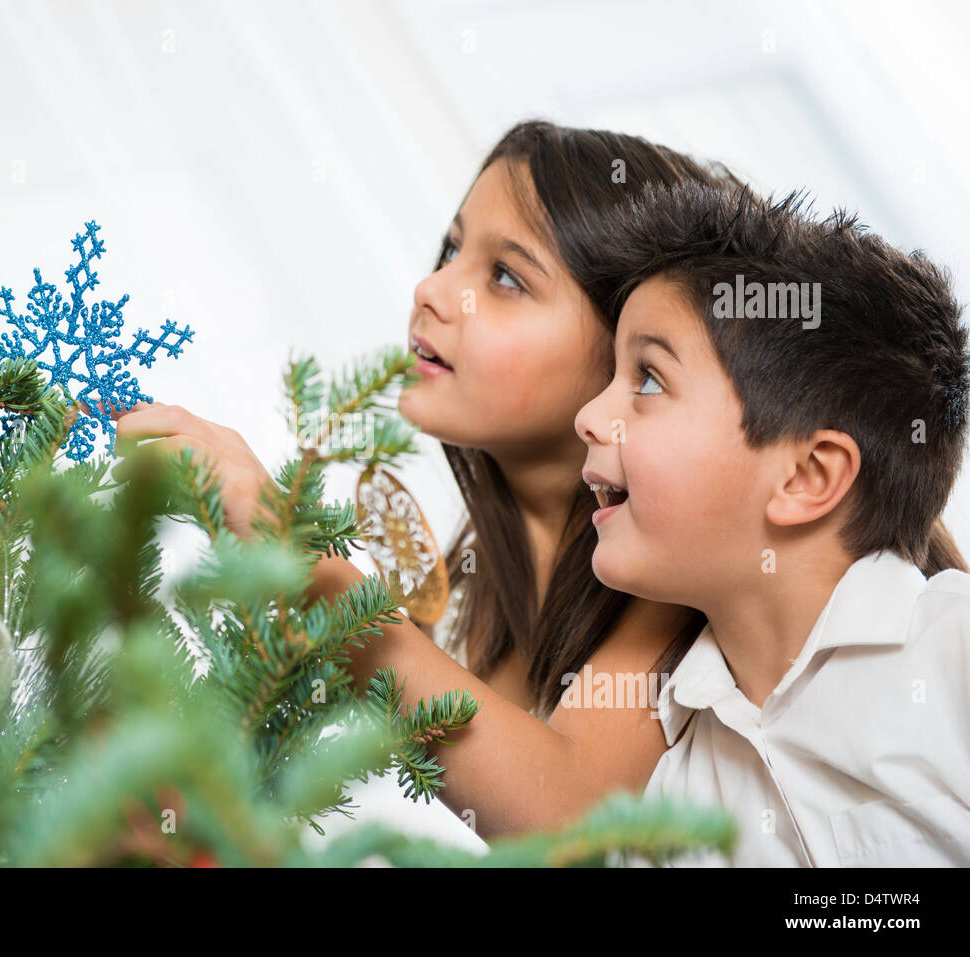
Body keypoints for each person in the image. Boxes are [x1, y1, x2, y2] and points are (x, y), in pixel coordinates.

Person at [111, 119, 745, 838]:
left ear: (630, 349)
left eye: (505, 276)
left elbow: (564, 812)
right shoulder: (468, 593)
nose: (434, 288)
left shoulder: (672, 583)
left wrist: (316, 573)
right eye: (451, 249)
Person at [574, 182, 970, 865]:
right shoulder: (664, 800)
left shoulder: (953, 654)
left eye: (646, 381)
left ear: (807, 477)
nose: (587, 415)